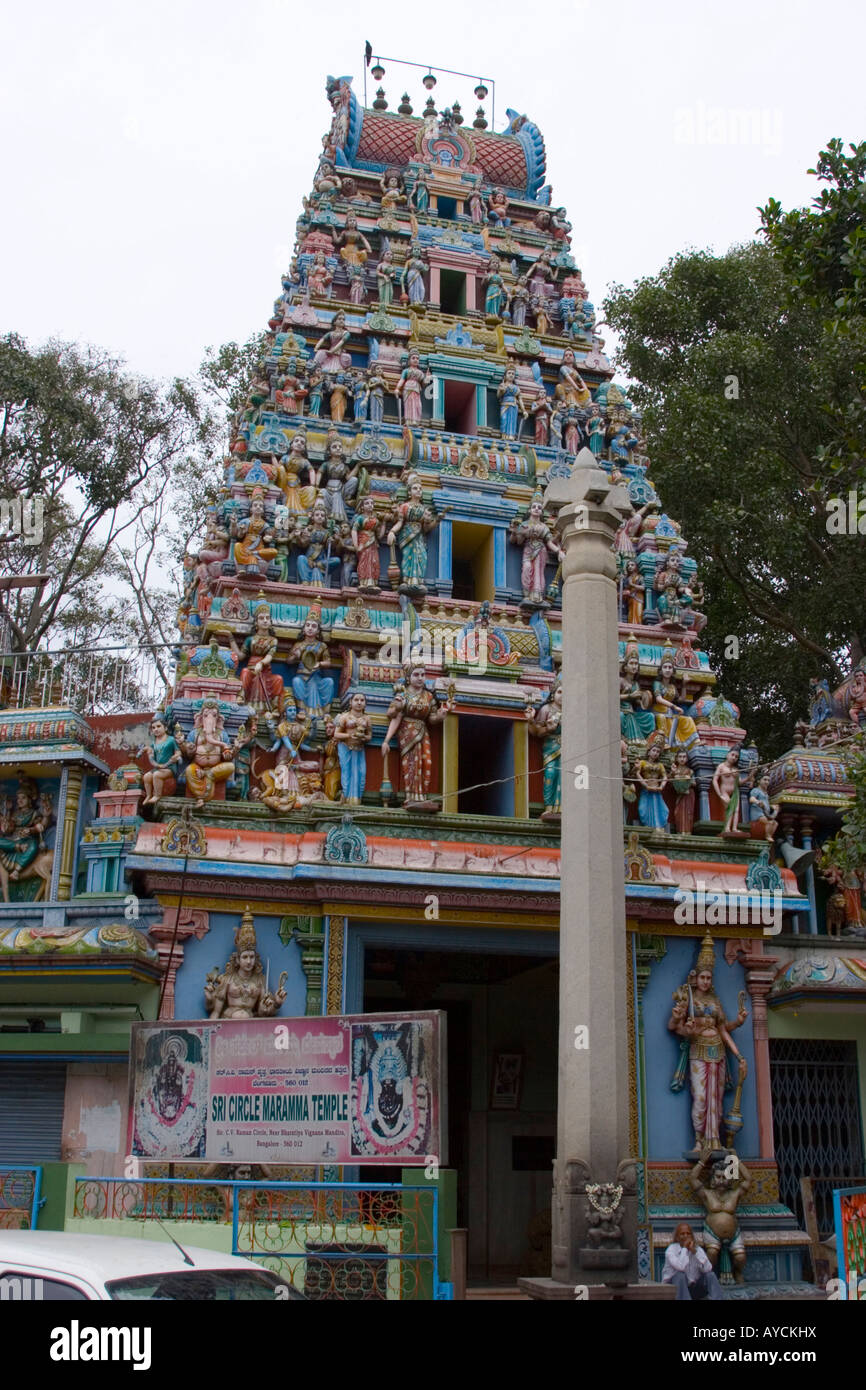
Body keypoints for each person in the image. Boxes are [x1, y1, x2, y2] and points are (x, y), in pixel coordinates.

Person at [662, 1223, 723, 1301]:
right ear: (677, 1237)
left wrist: (695, 1253)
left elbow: (708, 1268)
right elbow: (681, 1267)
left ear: (692, 1236)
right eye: (682, 1234)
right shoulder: (671, 1250)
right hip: (674, 1289)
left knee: (710, 1275)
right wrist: (684, 1248)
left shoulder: (697, 1249)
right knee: (680, 1275)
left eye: (688, 1234)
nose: (685, 1236)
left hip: (693, 1288)